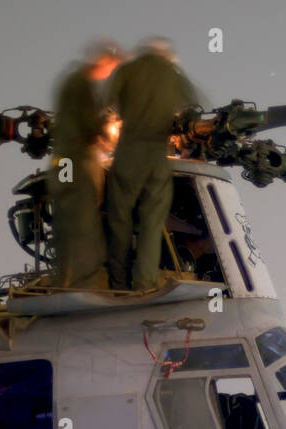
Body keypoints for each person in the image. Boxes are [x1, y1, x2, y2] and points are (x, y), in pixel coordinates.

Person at [105, 38, 199, 291]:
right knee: (151, 222)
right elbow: (195, 103)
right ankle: (144, 284)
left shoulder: (126, 70)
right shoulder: (172, 74)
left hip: (126, 153)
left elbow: (105, 102)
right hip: (157, 155)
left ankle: (117, 285)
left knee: (119, 220)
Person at [46, 40, 125, 289]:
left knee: (66, 228)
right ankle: (86, 290)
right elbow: (90, 124)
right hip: (77, 165)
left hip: (63, 165)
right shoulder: (81, 84)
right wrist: (110, 135)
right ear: (104, 61)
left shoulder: (70, 81)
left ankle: (62, 284)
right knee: (85, 234)